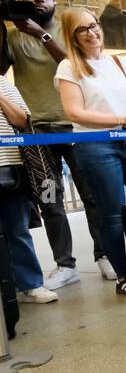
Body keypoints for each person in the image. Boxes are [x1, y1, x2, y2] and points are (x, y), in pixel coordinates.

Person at [0, 0, 113, 286]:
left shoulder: (68, 29)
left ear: (53, 0)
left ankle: (105, 255)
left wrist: (40, 32)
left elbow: (75, 65)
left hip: (77, 127)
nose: (36, 2)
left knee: (91, 195)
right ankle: (66, 264)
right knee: (50, 199)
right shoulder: (14, 37)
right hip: (38, 132)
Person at [53, 8, 126, 296]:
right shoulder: (69, 67)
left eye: (94, 25)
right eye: (83, 29)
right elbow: (75, 112)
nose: (92, 32)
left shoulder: (118, 63)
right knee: (113, 213)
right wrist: (122, 119)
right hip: (95, 146)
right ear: (72, 35)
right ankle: (123, 275)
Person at [0, 78, 58, 304]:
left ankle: (30, 284)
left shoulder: (3, 82)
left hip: (10, 165)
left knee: (17, 229)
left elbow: (23, 120)